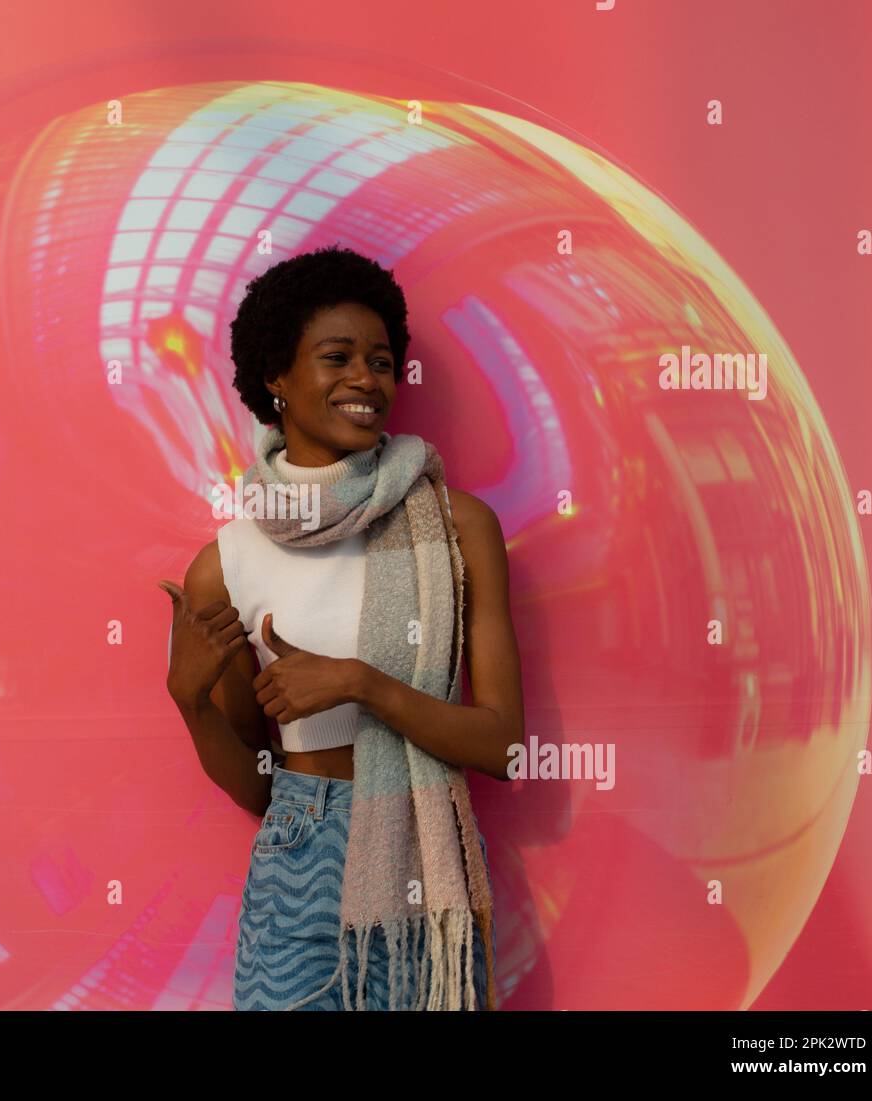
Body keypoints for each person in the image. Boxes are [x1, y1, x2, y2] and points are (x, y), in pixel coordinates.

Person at [160, 244, 523, 1010]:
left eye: (382, 360)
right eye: (337, 357)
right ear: (276, 379)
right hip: (299, 859)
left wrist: (360, 683)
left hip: (428, 862)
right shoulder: (225, 562)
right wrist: (190, 704)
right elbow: (257, 785)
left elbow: (504, 745)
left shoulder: (459, 528)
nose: (367, 378)